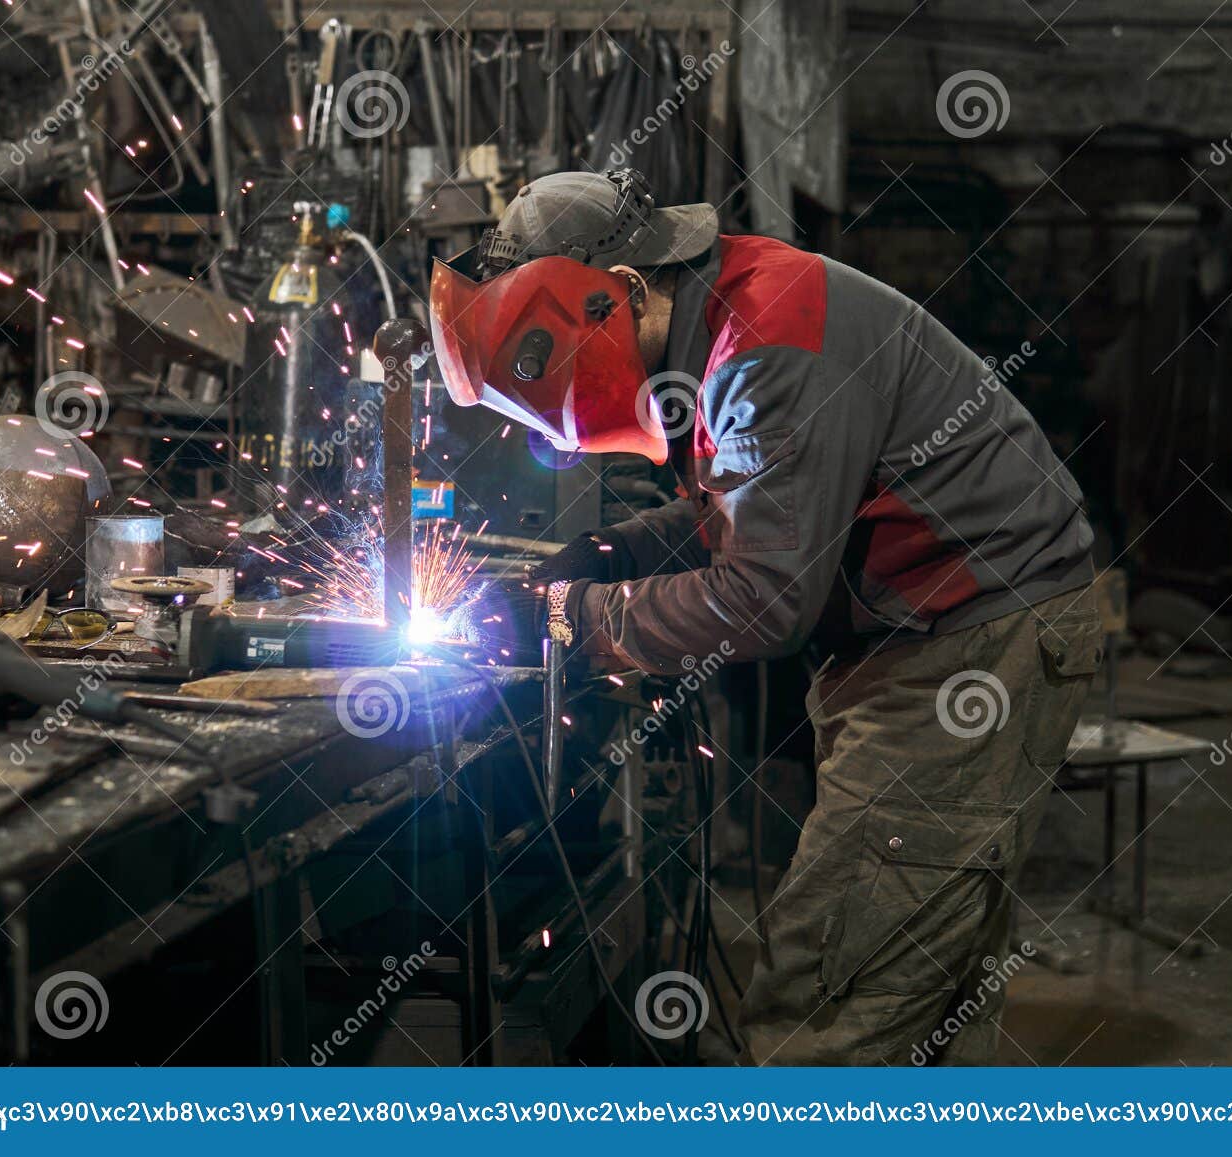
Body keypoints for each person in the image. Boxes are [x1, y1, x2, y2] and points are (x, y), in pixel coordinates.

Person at [428, 168, 1100, 1065]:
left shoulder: (763, 346)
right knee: (925, 991)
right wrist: (612, 554)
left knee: (828, 999)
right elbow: (755, 511)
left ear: (621, 291)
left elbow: (766, 596)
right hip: (945, 626)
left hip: (969, 642)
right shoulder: (723, 320)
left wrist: (566, 618)